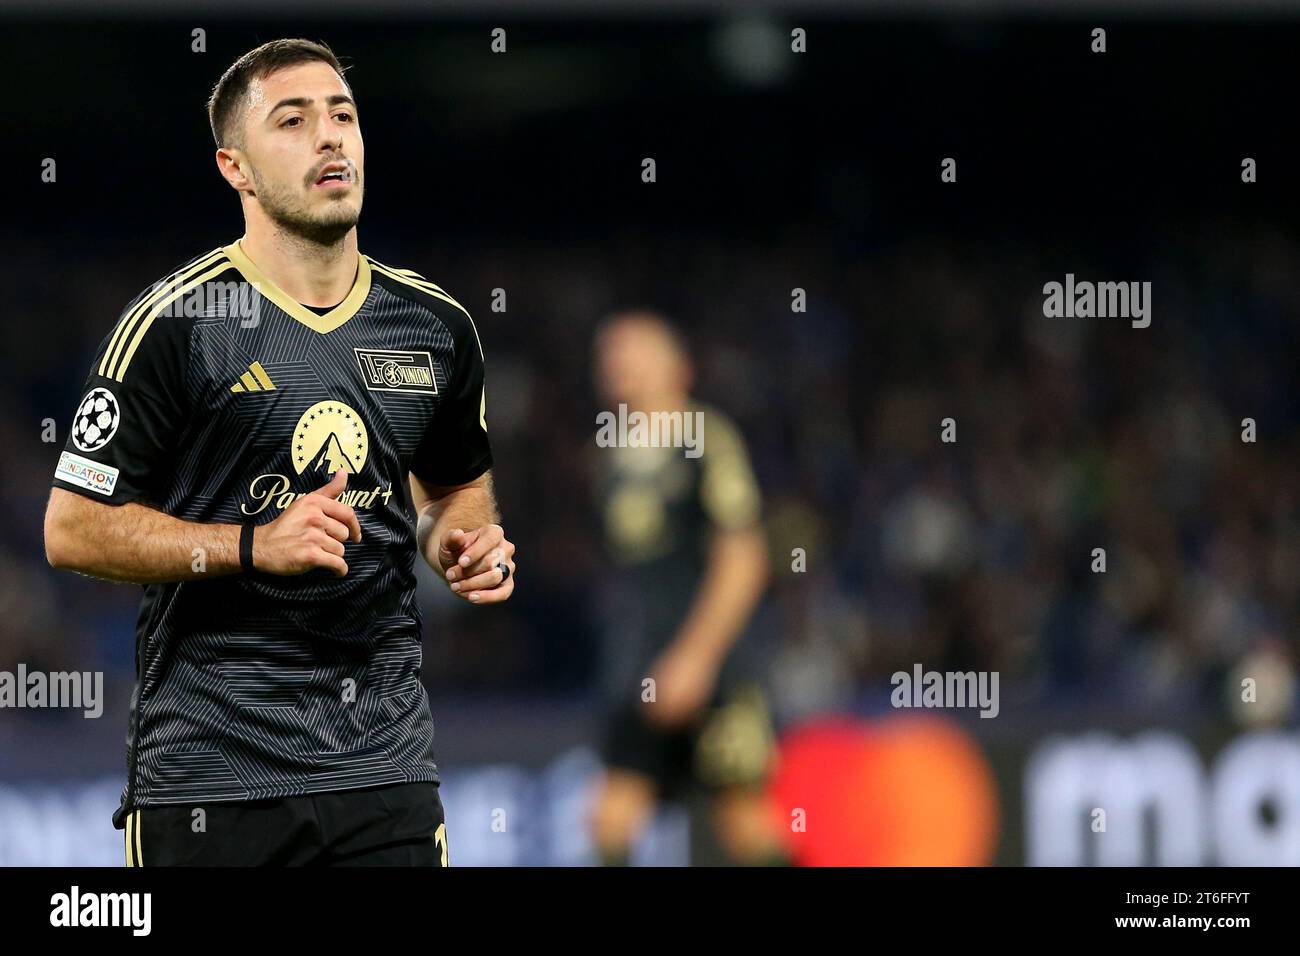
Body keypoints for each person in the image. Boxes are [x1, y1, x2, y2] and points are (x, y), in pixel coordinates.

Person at [43, 38, 515, 866]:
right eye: (292, 121)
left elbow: (453, 494)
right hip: (208, 782)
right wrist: (254, 546)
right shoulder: (176, 324)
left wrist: (458, 546)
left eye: (343, 115)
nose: (330, 137)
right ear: (236, 168)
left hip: (384, 771)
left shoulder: (436, 328)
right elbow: (73, 528)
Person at [588, 310, 787, 865]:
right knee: (610, 820)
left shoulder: (707, 439)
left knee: (746, 825)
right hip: (640, 667)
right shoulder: (611, 453)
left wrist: (696, 658)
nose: (616, 363)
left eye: (633, 351)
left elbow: (743, 558)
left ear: (677, 365)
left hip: (714, 667)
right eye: (609, 353)